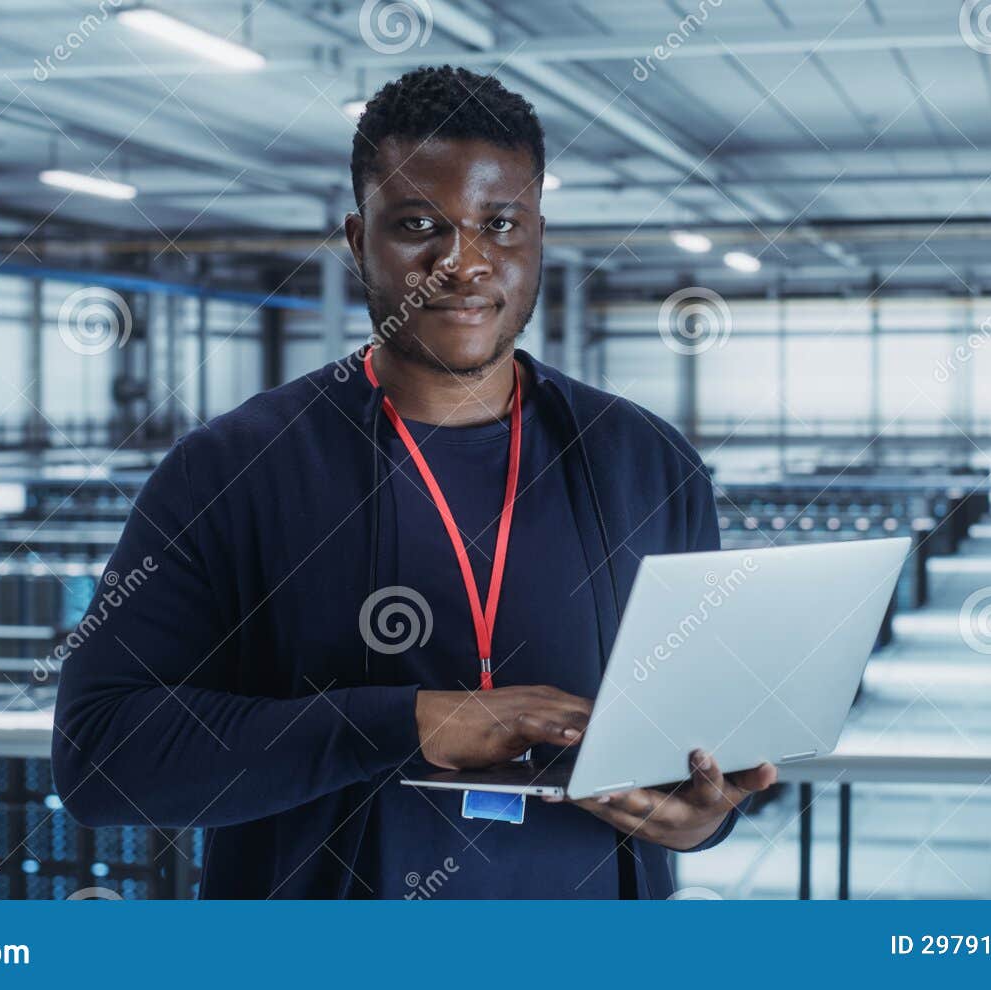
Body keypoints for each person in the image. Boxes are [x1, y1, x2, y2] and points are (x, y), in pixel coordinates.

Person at [53, 64, 775, 899]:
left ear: (539, 235)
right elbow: (101, 760)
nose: (463, 263)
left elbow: (701, 745)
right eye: (419, 224)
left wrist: (705, 817)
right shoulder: (232, 470)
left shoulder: (647, 463)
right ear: (360, 240)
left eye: (500, 225)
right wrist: (409, 721)